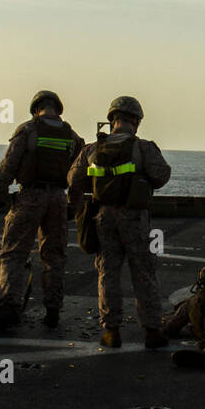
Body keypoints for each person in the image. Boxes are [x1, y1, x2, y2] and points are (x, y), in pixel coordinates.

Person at [67, 96, 171, 349]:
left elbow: (73, 180)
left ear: (111, 120)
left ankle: (111, 331)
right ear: (135, 121)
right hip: (134, 217)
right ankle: (152, 331)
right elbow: (161, 175)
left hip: (103, 217)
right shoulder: (143, 147)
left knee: (108, 273)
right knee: (144, 273)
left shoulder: (91, 149)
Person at [0, 90, 84, 329]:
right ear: (58, 108)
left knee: (14, 253)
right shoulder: (71, 136)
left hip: (30, 196)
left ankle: (10, 307)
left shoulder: (28, 130)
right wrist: (73, 204)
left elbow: (8, 165)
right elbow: (78, 174)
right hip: (57, 198)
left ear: (35, 109)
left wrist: (0, 194)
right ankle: (52, 309)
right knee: (54, 257)